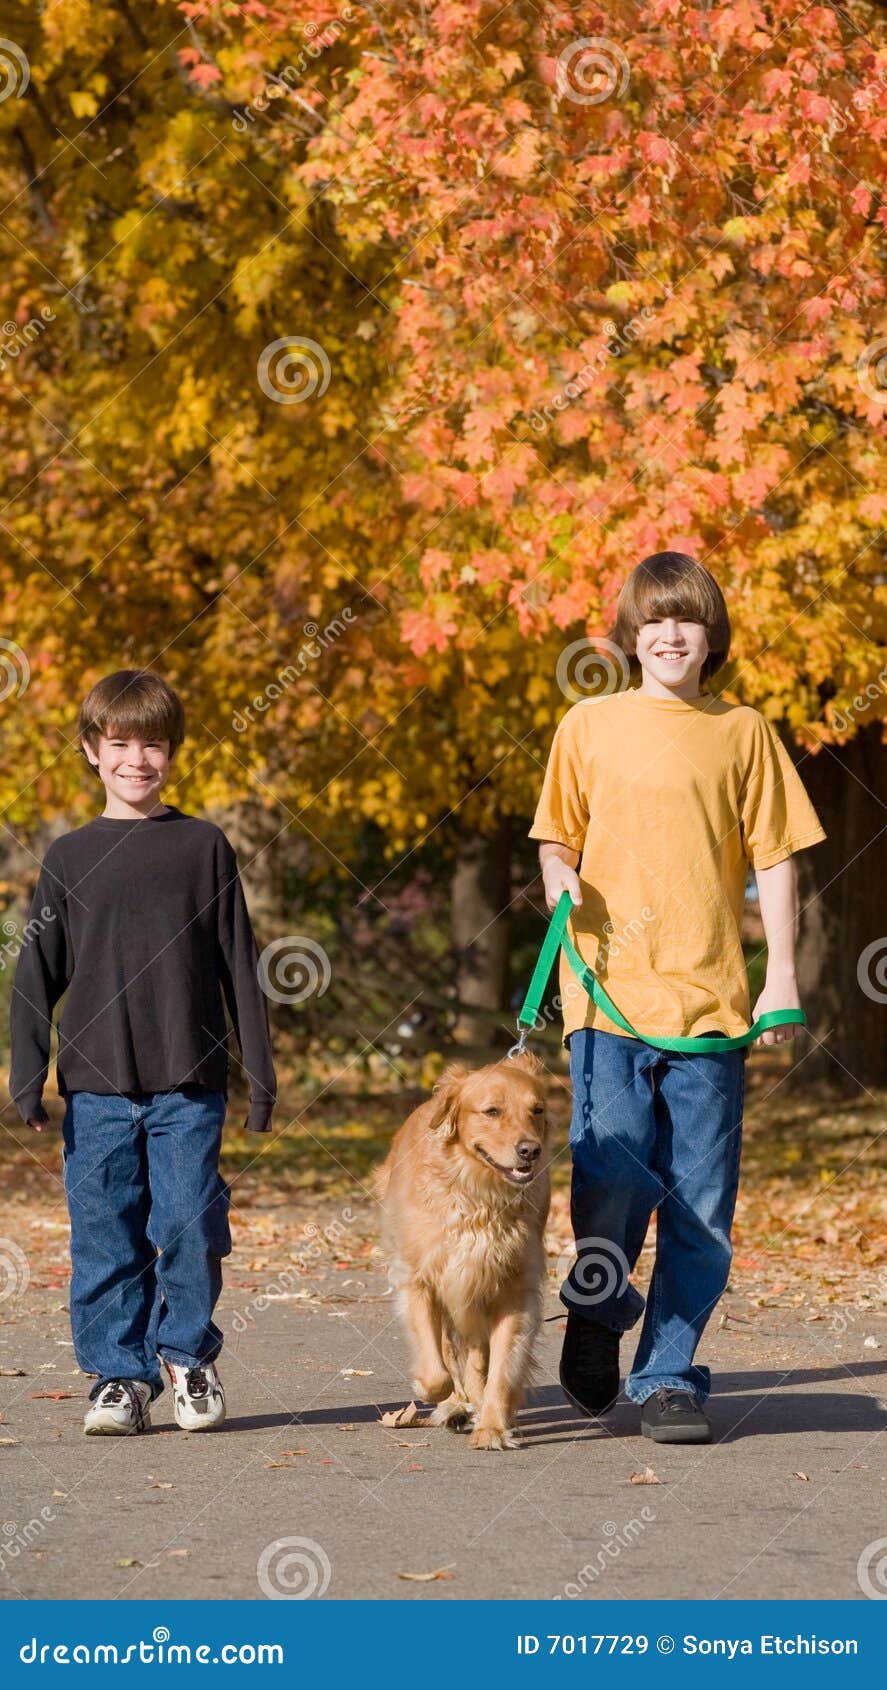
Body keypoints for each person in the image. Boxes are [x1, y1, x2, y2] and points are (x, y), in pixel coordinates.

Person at [529, 553, 826, 1443]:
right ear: (629, 633)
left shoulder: (743, 732)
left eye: (686, 620)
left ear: (710, 636)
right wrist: (558, 883)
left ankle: (667, 1377)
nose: (668, 634)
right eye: (652, 619)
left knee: (700, 1204)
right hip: (605, 998)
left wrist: (779, 975)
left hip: (711, 1006)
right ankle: (596, 1311)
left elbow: (774, 857)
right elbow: (554, 840)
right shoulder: (588, 724)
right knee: (612, 1184)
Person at [9, 670, 276, 1436]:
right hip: (95, 1087)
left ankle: (186, 1355)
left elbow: (238, 963)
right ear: (91, 751)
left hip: (188, 1083)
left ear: (172, 753)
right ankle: (118, 1380)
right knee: (103, 1237)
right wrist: (27, 1077)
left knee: (191, 1223)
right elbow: (37, 974)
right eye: (120, 743)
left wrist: (261, 1081)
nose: (136, 759)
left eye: (153, 744)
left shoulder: (202, 847)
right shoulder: (68, 856)